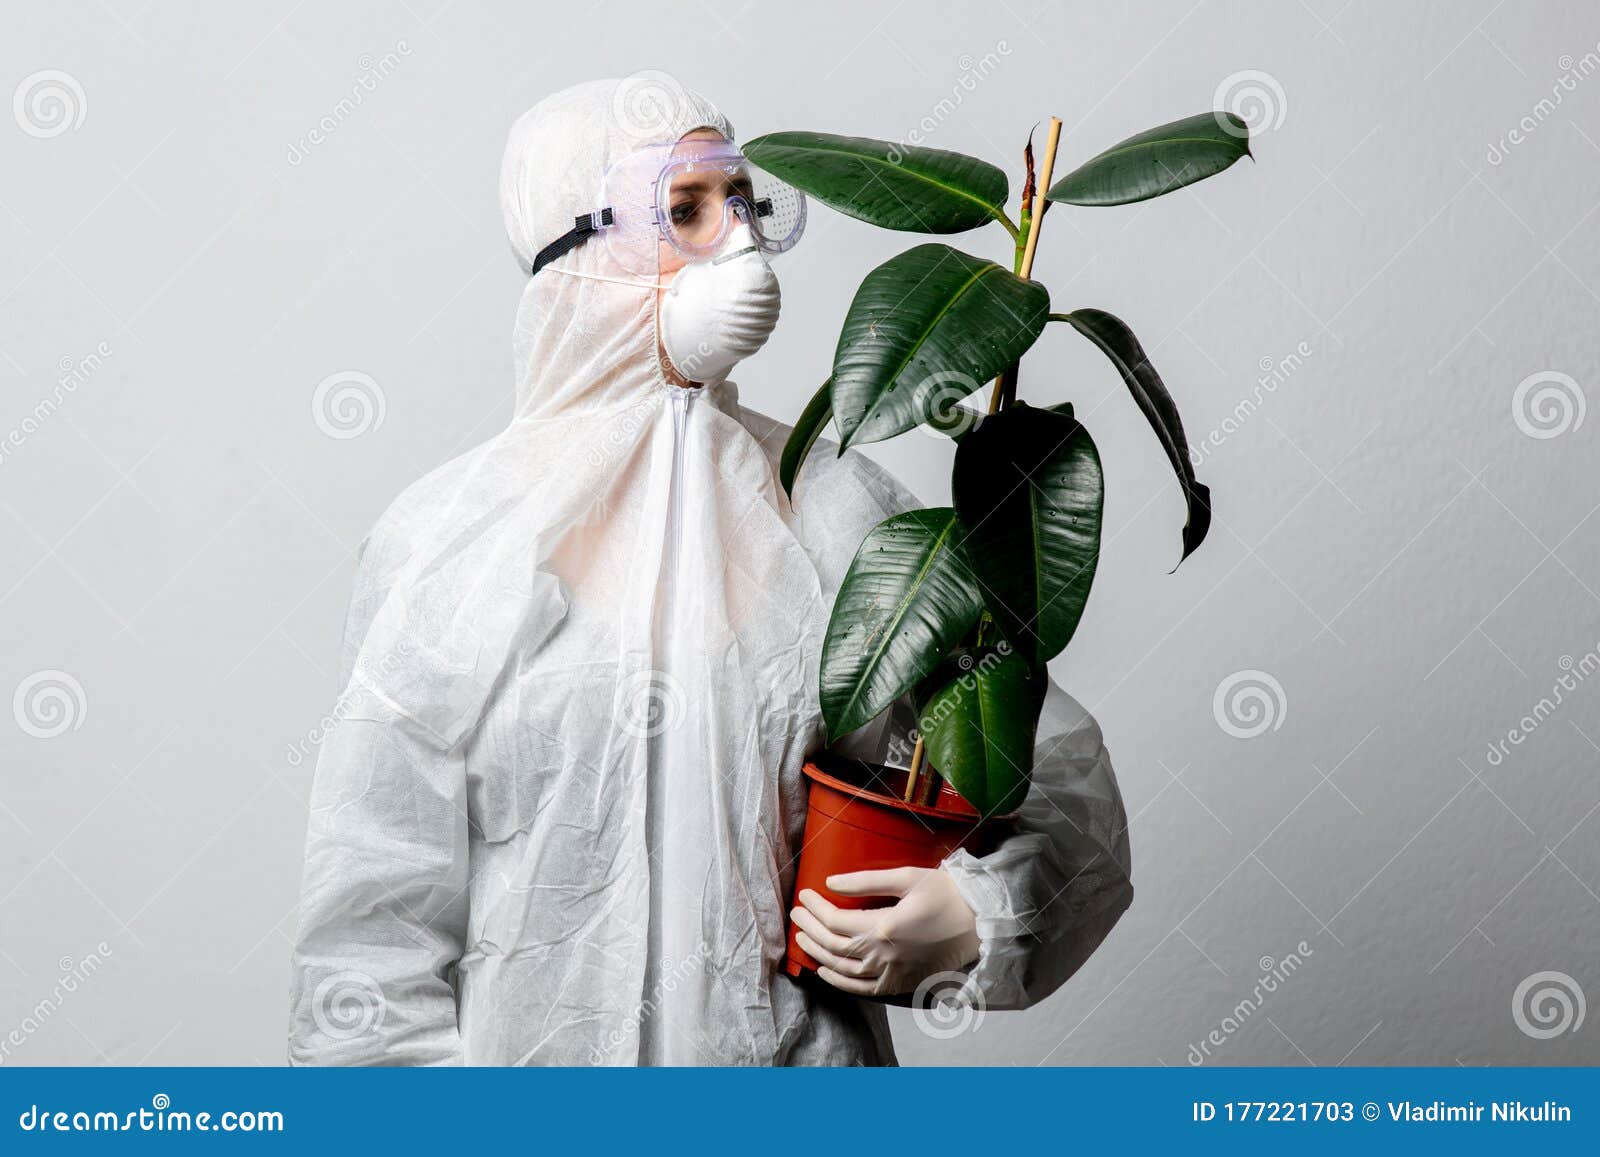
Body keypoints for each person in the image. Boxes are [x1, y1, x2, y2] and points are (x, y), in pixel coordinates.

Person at [287, 75, 1132, 1066]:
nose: (736, 243)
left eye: (742, 204)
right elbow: (371, 915)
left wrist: (976, 915)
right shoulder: (450, 543)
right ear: (576, 247)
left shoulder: (831, 508)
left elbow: (1039, 764)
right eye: (683, 210)